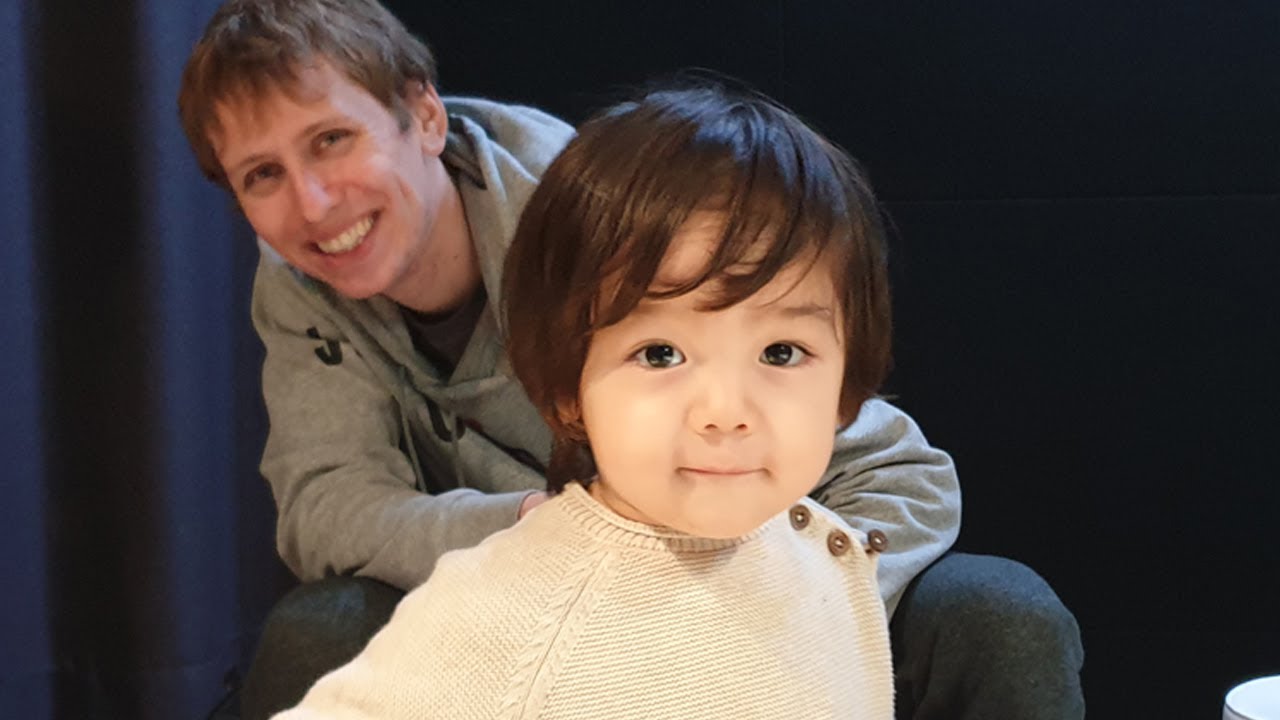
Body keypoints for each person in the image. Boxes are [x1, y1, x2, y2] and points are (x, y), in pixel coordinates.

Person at [177, 1, 1084, 718]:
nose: (316, 199)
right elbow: (327, 508)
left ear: (422, 114)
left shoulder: (614, 226)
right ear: (564, 389)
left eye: (331, 139)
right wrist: (544, 548)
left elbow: (898, 472)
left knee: (1000, 616)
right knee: (314, 631)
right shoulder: (299, 286)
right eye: (264, 175)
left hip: (747, 581)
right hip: (530, 600)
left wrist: (762, 596)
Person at [271, 82, 897, 719]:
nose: (726, 410)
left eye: (781, 353)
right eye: (660, 354)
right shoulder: (499, 612)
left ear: (847, 383)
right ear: (570, 388)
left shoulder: (827, 555)